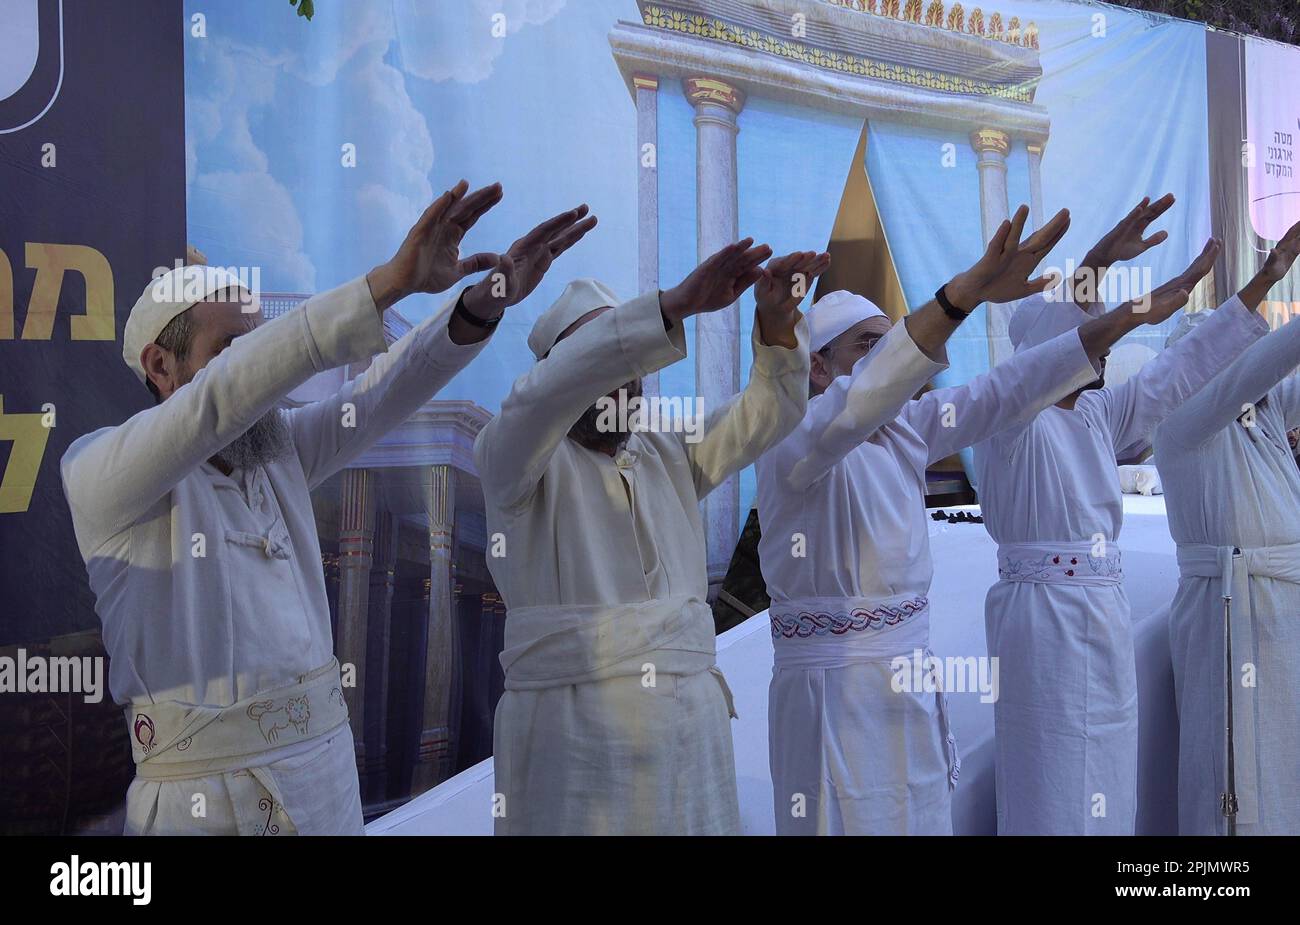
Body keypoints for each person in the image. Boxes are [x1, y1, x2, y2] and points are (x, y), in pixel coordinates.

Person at [61, 181, 596, 834]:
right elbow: (226, 395)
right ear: (161, 363)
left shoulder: (277, 447)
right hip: (202, 807)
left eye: (259, 344)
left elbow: (383, 392)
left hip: (326, 791)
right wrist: (387, 284)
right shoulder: (99, 472)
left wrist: (487, 300)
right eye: (233, 348)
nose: (259, 377)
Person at [756, 205, 1189, 835]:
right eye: (866, 347)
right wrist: (969, 293)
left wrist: (1117, 312)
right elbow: (881, 401)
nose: (889, 360)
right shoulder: (793, 437)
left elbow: (1007, 387)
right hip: (835, 696)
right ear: (817, 367)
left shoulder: (907, 427)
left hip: (908, 681)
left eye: (889, 343)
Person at [476, 242, 828, 834]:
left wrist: (775, 323)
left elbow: (766, 411)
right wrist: (670, 307)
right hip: (575, 747)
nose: (621, 377)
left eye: (631, 362)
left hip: (690, 738)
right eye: (603, 356)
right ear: (558, 373)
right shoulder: (512, 460)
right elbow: (537, 401)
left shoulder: (667, 451)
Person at [974, 196, 1276, 834]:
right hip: (1044, 621)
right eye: (1085, 340)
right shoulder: (1010, 422)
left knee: (1105, 771)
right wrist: (1098, 262)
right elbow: (1062, 345)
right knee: (1054, 777)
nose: (1101, 353)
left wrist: (1263, 282)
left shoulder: (1093, 414)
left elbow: (1177, 372)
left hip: (1100, 613)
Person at [1153, 218, 1300, 835]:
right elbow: (1258, 368)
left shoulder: (1260, 416)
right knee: (1235, 784)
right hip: (1231, 613)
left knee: (1282, 773)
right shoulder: (1185, 420)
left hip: (1277, 608)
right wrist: (1267, 284)